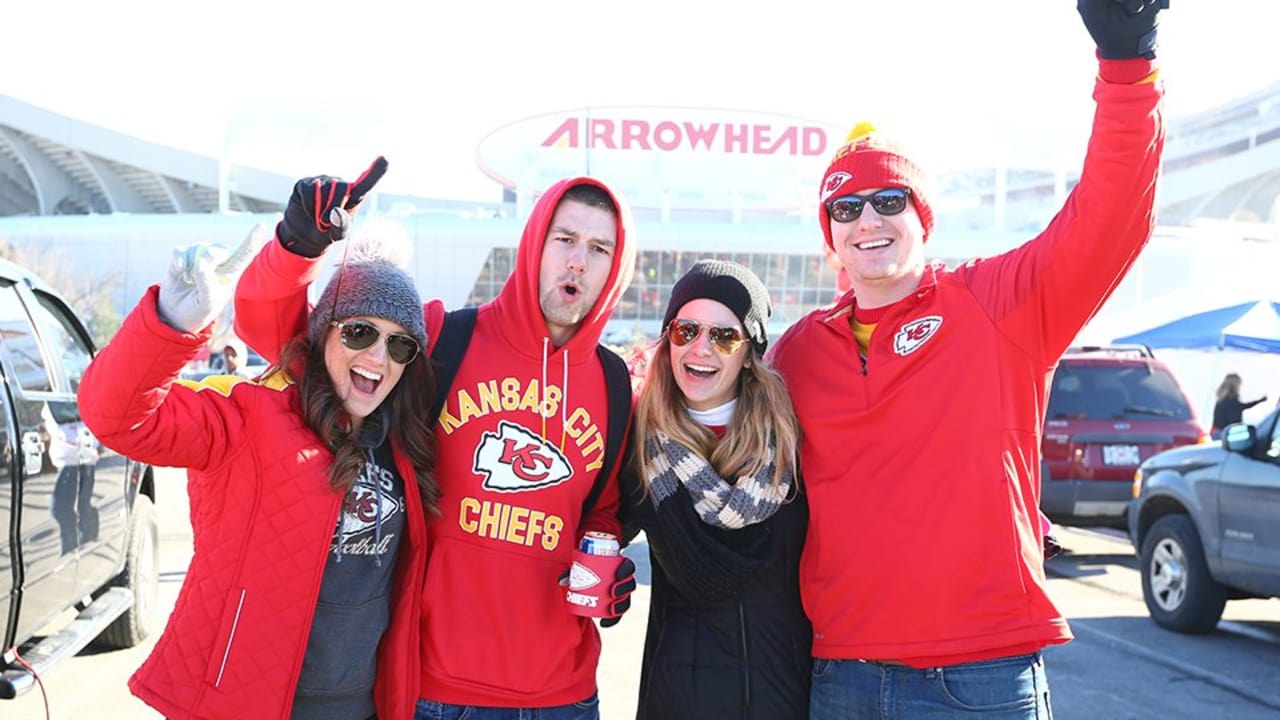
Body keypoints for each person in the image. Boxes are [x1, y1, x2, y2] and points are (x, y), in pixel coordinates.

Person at [766, 3, 1169, 718]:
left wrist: (1127, 67)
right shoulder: (796, 353)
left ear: (922, 217)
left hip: (980, 679)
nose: (868, 219)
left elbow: (1109, 221)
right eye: (846, 208)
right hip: (840, 676)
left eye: (888, 199)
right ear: (831, 235)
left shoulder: (996, 303)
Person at [234, 162, 640, 720]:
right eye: (564, 239)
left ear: (616, 268)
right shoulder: (444, 338)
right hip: (437, 691)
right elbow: (286, 340)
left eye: (599, 249)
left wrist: (607, 565)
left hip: (563, 697)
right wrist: (297, 248)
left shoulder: (614, 385)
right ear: (534, 245)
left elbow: (602, 510)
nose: (577, 261)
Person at [77, 223, 438, 720]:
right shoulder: (251, 417)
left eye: (400, 345)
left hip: (362, 708)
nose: (378, 357)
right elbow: (117, 418)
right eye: (360, 332)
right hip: (245, 702)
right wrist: (170, 325)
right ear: (323, 333)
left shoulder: (404, 444)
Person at [621, 260, 811, 720]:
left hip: (784, 699)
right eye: (686, 331)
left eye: (724, 336)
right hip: (679, 702)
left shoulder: (792, 445)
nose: (701, 348)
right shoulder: (638, 445)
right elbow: (592, 530)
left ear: (748, 353)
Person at [1211, 372, 1267, 438]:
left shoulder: (1223, 399)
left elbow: (1242, 406)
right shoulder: (1231, 401)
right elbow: (1234, 419)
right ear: (1235, 385)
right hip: (1223, 433)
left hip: (1217, 431)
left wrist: (1259, 401)